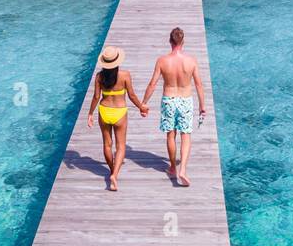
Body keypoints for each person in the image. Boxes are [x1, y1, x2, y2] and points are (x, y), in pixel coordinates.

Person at [141, 27, 205, 187]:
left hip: (169, 99)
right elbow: (198, 84)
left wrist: (144, 103)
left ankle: (172, 167)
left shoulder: (162, 61)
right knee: (186, 135)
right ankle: (182, 169)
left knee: (171, 135)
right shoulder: (191, 61)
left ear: (170, 41)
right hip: (185, 100)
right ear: (183, 42)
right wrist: (202, 106)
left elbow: (152, 83)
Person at [86, 46, 147, 191]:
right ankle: (115, 174)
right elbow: (131, 95)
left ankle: (112, 170)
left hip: (104, 111)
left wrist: (90, 114)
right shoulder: (125, 75)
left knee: (107, 144)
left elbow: (96, 97)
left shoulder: (99, 77)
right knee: (121, 146)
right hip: (120, 112)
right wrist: (141, 107)